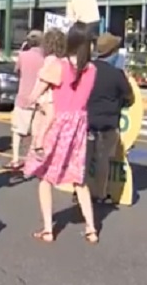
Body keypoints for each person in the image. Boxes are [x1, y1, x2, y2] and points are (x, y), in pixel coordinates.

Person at [24, 23, 99, 244]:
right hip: (79, 125)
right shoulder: (92, 69)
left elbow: (34, 95)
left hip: (57, 125)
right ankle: (91, 229)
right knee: (78, 179)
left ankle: (48, 229)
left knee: (45, 177)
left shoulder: (59, 66)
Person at [87, 33, 134, 204]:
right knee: (103, 159)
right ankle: (100, 193)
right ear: (113, 52)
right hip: (108, 123)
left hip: (87, 121)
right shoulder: (116, 74)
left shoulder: (86, 69)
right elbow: (130, 98)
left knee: (85, 158)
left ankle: (81, 191)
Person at [4, 31, 44, 170]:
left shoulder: (23, 55)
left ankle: (15, 158)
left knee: (17, 130)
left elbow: (17, 70)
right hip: (41, 98)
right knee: (35, 132)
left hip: (23, 97)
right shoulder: (46, 57)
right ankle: (30, 159)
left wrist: (22, 50)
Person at [25, 30, 66, 157]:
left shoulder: (47, 59)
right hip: (49, 96)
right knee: (48, 119)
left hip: (43, 97)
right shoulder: (57, 61)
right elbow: (45, 81)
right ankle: (39, 144)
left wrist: (32, 96)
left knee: (39, 123)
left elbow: (42, 81)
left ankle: (36, 146)